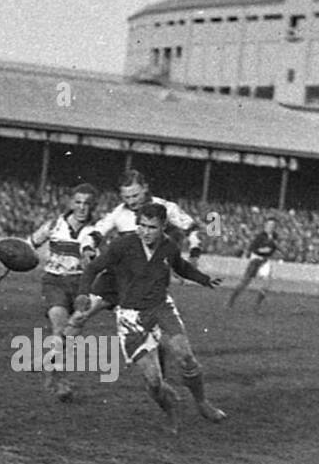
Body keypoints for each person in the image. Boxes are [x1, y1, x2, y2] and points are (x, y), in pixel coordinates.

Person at [72, 202, 225, 431]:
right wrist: (84, 293)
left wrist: (204, 279)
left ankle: (203, 403)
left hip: (161, 308)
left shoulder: (169, 246)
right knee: (153, 382)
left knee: (186, 356)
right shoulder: (122, 246)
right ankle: (171, 410)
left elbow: (181, 266)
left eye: (152, 227)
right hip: (130, 318)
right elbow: (93, 268)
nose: (145, 231)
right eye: (142, 225)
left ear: (163, 226)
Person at [71, 168, 201, 329]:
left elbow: (192, 229)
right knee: (80, 315)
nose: (131, 202)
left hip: (148, 281)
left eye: (135, 195)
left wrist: (194, 253)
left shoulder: (166, 208)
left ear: (145, 188)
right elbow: (95, 233)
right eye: (126, 197)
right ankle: (53, 352)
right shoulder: (119, 213)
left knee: (158, 332)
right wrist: (87, 248)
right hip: (117, 277)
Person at [22, 183, 98, 401]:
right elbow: (30, 244)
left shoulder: (96, 232)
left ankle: (51, 370)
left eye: (87, 203)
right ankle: (62, 382)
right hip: (54, 282)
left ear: (93, 206)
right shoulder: (54, 225)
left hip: (81, 286)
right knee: (59, 327)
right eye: (78, 202)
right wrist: (14, 259)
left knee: (69, 336)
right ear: (71, 203)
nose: (82, 207)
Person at [227, 216, 281, 311]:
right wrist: (263, 250)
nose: (271, 227)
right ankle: (231, 300)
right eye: (269, 225)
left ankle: (257, 305)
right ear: (265, 225)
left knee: (266, 283)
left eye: (273, 225)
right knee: (245, 282)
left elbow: (274, 248)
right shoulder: (260, 236)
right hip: (256, 260)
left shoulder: (275, 236)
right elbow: (252, 248)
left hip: (265, 261)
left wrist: (273, 251)